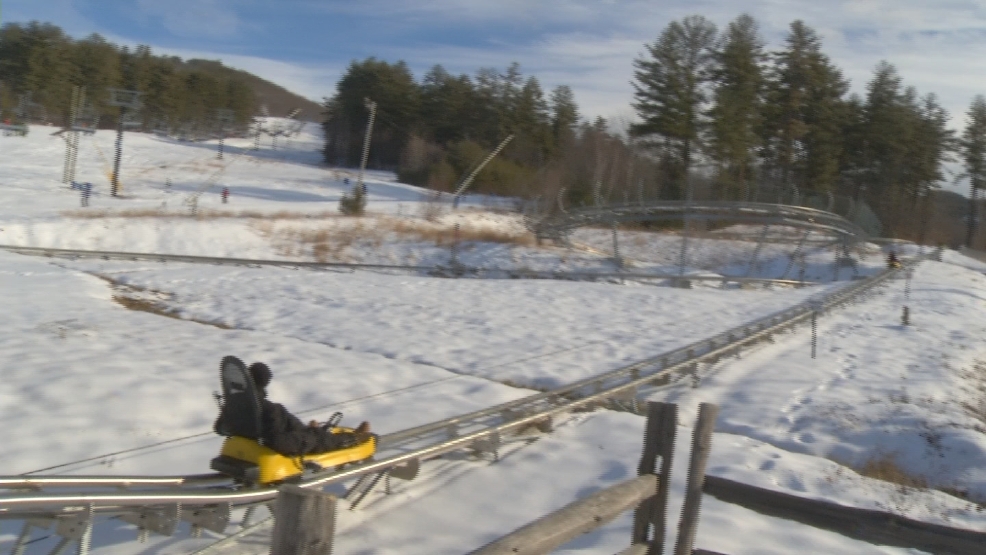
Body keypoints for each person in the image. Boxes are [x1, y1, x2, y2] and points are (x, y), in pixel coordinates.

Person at [218, 362, 372, 457]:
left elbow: (220, 428)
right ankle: (353, 439)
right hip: (274, 442)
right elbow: (277, 440)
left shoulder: (234, 403)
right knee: (318, 440)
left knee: (302, 429)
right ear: (264, 382)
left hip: (249, 441)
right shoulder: (270, 409)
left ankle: (311, 430)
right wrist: (308, 438)